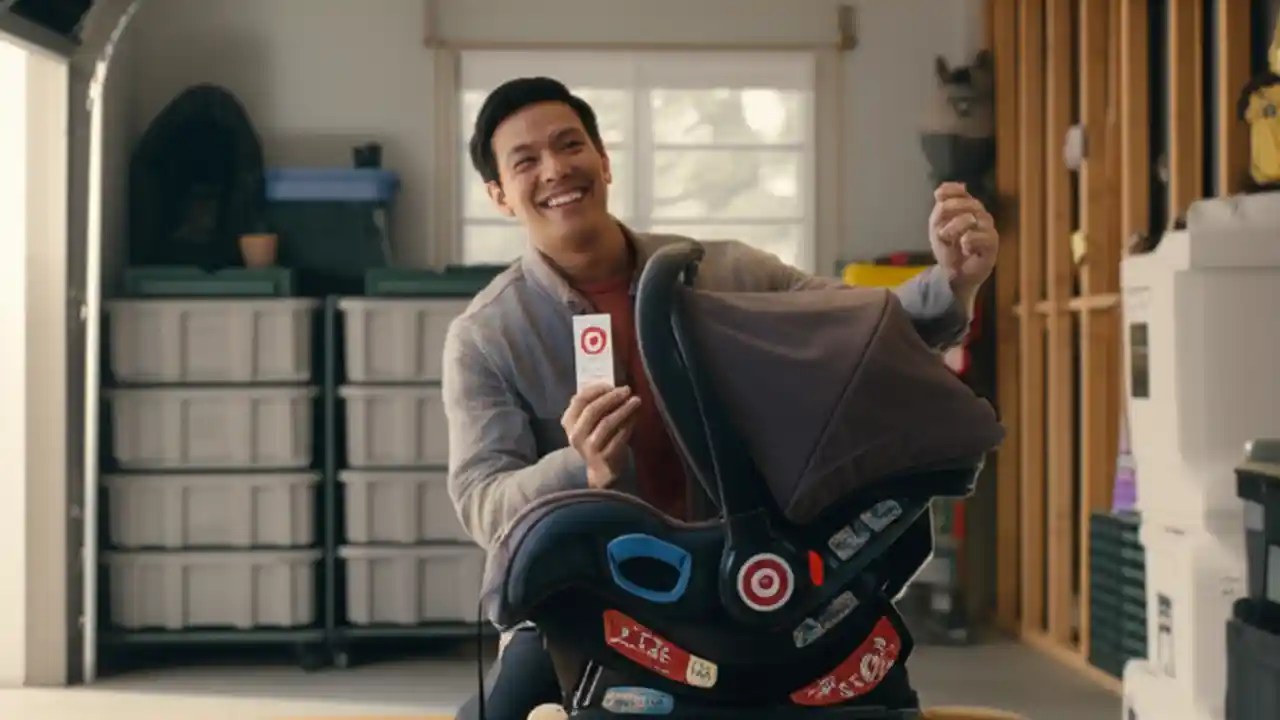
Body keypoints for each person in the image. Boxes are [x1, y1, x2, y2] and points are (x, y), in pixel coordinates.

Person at [444, 76, 999, 720]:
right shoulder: (486, 336)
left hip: (753, 586)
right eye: (525, 161)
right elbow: (483, 503)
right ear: (499, 195)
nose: (555, 170)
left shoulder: (720, 271)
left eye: (571, 145)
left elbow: (861, 331)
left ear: (604, 160)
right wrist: (579, 467)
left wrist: (953, 282)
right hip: (590, 603)